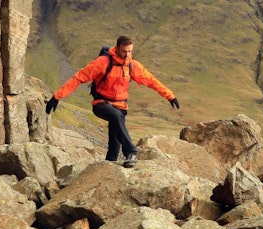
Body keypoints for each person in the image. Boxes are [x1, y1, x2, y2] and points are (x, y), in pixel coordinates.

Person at [44, 35, 180, 168]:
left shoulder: (132, 65)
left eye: (130, 51)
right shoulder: (103, 62)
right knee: (115, 115)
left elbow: (151, 80)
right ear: (117, 48)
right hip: (101, 103)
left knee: (115, 140)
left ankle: (109, 164)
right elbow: (79, 77)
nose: (127, 55)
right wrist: (57, 97)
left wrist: (169, 95)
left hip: (121, 106)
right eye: (124, 51)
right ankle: (131, 152)